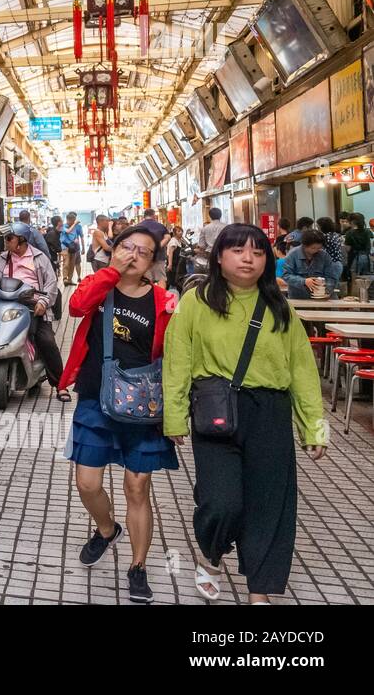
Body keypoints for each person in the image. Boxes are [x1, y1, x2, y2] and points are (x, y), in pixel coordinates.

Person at [163, 223, 327, 604]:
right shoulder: (196, 303)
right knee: (221, 502)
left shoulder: (280, 307)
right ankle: (212, 551)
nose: (248, 258)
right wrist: (174, 416)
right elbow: (177, 362)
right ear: (218, 257)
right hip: (216, 410)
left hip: (270, 413)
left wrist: (313, 428)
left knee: (270, 504)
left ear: (267, 260)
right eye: (238, 250)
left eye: (257, 251)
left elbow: (302, 370)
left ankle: (260, 592)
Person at [60, 221, 178, 603]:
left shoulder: (163, 301)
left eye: (144, 252)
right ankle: (107, 530)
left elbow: (173, 357)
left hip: (145, 407)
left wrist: (177, 411)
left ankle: (138, 567)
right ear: (113, 249)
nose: (134, 255)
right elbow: (76, 306)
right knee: (87, 484)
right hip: (96, 398)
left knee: (137, 487)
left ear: (153, 262)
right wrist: (112, 271)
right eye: (127, 247)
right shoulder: (99, 288)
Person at [0, 222, 63, 396]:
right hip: (3, 303)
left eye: (9, 238)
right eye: (6, 238)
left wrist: (43, 301)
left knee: (46, 340)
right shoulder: (3, 258)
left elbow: (51, 283)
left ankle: (60, 385)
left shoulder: (39, 258)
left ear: (21, 240)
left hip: (33, 305)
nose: (6, 241)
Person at [280, 230, 342, 299]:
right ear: (304, 245)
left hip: (321, 298)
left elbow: (331, 276)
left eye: (319, 248)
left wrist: (326, 288)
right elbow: (285, 275)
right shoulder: (293, 254)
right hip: (298, 297)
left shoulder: (324, 255)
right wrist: (304, 281)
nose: (316, 250)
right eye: (313, 248)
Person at [344, 211, 371, 285]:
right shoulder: (367, 231)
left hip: (355, 258)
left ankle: (356, 295)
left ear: (352, 222)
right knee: (366, 281)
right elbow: (369, 245)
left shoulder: (349, 233)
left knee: (355, 281)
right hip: (366, 258)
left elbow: (348, 249)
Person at [61, 212, 85, 284]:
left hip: (74, 248)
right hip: (65, 247)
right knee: (66, 263)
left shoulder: (78, 227)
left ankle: (70, 280)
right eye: (73, 220)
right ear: (68, 220)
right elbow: (68, 231)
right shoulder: (63, 226)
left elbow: (81, 236)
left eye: (74, 220)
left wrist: (82, 247)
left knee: (72, 264)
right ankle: (65, 278)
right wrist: (74, 224)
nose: (74, 222)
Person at [166, 224, 186, 290]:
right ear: (174, 233)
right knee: (172, 281)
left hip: (177, 263)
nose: (181, 232)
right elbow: (171, 253)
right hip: (173, 264)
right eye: (178, 231)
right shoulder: (173, 241)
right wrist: (170, 264)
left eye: (181, 231)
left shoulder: (179, 240)